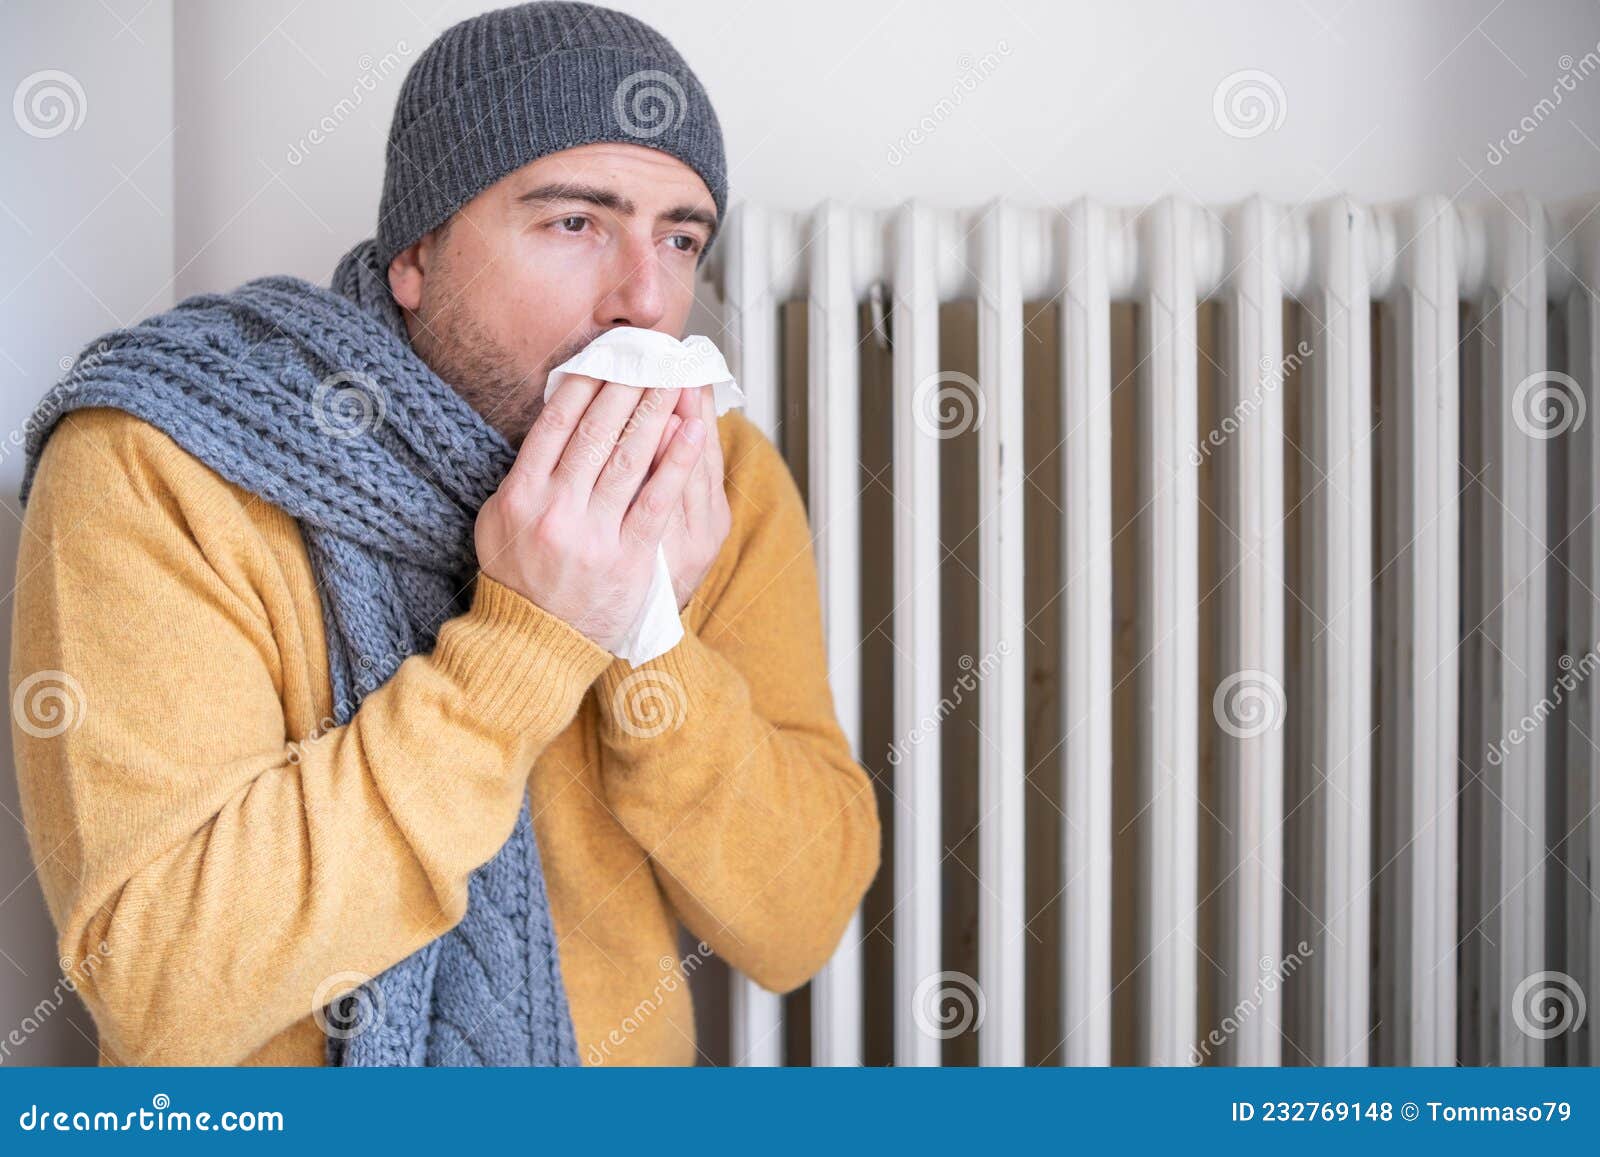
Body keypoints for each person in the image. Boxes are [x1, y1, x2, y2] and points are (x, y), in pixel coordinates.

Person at [10, 0, 880, 1066]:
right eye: (575, 222)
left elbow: (802, 919)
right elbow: (162, 986)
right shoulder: (160, 460)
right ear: (416, 252)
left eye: (680, 237)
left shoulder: (714, 475)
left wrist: (649, 643)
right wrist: (526, 642)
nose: (646, 300)